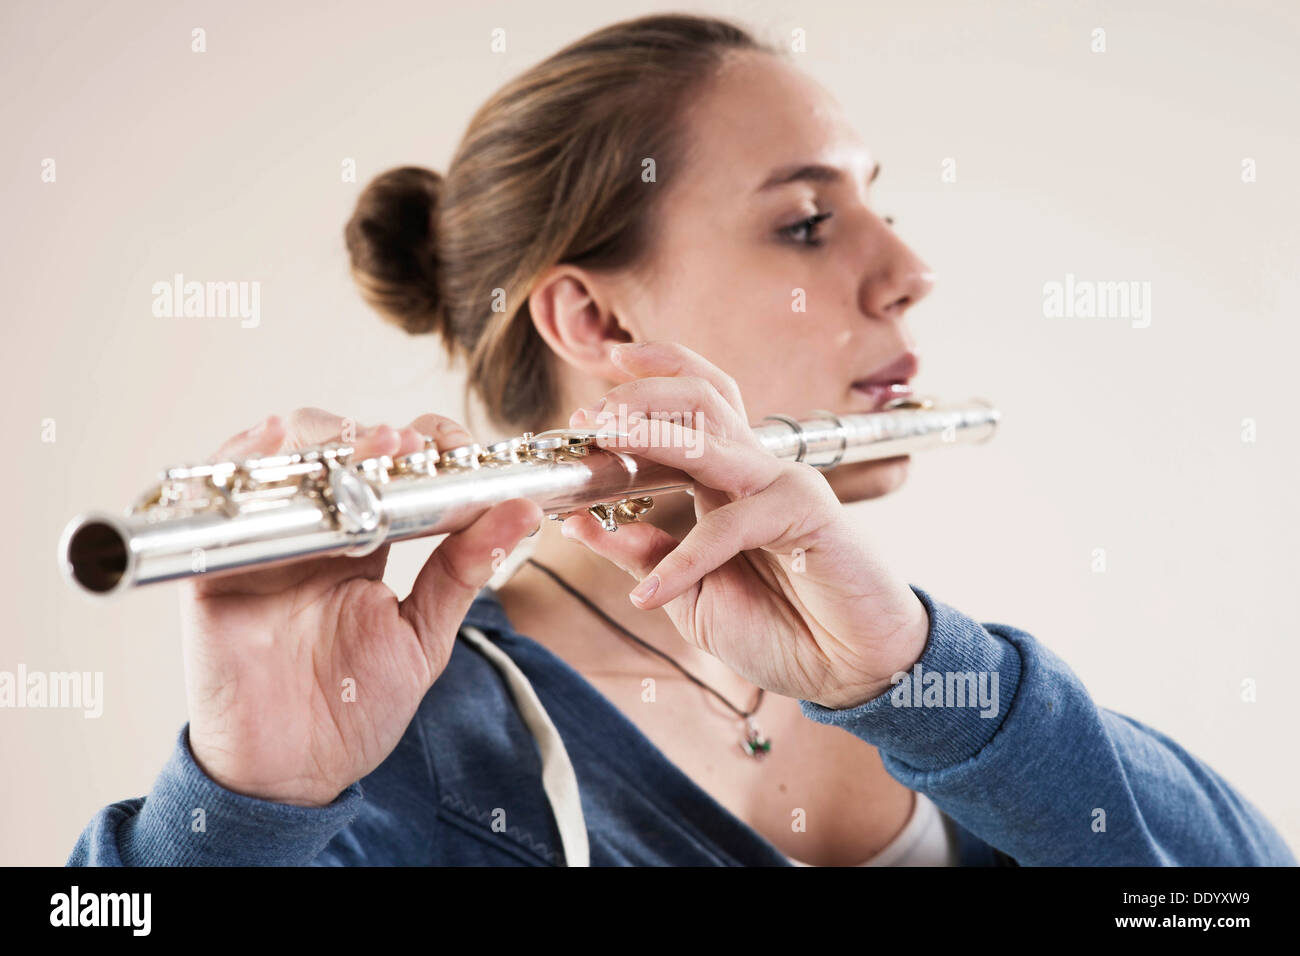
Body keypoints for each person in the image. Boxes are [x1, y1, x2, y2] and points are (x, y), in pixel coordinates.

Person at [69, 13, 1293, 867]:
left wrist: (918, 681)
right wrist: (240, 811)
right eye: (810, 222)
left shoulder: (922, 667)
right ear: (592, 316)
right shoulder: (412, 739)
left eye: (883, 211)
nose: (909, 274)